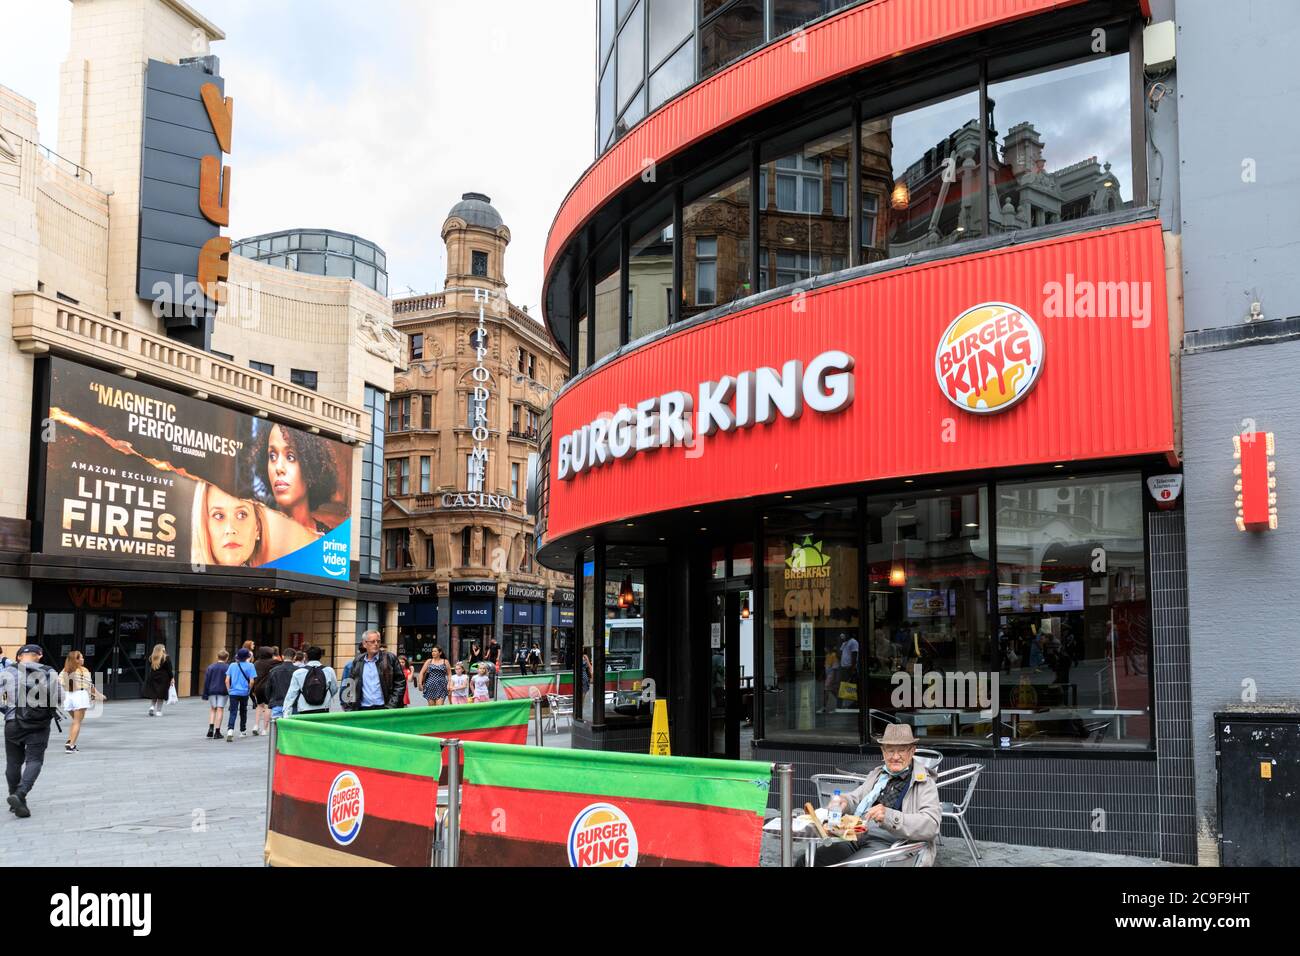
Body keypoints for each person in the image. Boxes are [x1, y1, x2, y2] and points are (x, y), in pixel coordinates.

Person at [804, 724, 941, 867]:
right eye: (890, 750)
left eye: (901, 750)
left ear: (912, 751)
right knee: (808, 861)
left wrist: (888, 816)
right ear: (883, 751)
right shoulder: (878, 774)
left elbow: (931, 825)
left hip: (891, 844)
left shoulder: (924, 782)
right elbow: (856, 798)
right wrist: (844, 801)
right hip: (857, 836)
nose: (895, 756)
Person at [1, 644, 67, 818]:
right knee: (34, 760)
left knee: (13, 762)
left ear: (19, 657)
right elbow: (60, 698)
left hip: (13, 722)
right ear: (39, 655)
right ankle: (20, 794)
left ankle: (15, 799)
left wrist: (7, 710)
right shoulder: (48, 671)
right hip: (39, 723)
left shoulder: (7, 672)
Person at [255, 422, 338, 534]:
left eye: (290, 457)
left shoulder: (329, 543)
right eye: (272, 456)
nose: (278, 468)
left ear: (312, 466)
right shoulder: (256, 537)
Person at [341, 631, 405, 711]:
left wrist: (391, 706)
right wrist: (349, 708)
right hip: (363, 709)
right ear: (365, 644)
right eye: (372, 641)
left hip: (385, 708)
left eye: (378, 641)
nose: (376, 644)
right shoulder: (357, 661)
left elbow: (400, 683)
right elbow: (350, 685)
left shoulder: (390, 658)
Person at [60, 651, 102, 753]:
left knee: (75, 720)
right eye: (81, 658)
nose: (83, 659)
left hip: (68, 696)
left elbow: (60, 683)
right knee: (77, 722)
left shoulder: (64, 671)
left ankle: (70, 740)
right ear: (76, 660)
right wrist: (98, 695)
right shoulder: (83, 670)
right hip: (80, 695)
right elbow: (89, 685)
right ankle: (71, 746)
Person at [283, 645, 339, 715]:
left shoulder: (298, 673)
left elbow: (291, 695)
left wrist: (286, 713)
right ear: (320, 656)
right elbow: (334, 689)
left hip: (304, 708)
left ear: (306, 657)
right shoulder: (329, 671)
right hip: (323, 708)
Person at [224, 648, 257, 741]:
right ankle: (242, 730)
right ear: (248, 656)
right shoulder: (250, 666)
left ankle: (230, 730)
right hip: (244, 692)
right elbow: (251, 681)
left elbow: (226, 680)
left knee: (233, 711)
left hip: (233, 692)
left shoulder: (232, 665)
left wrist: (229, 690)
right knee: (243, 711)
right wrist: (248, 690)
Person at [201, 650, 231, 738]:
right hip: (223, 691)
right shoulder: (227, 667)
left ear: (217, 657)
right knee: (220, 709)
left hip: (212, 691)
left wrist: (205, 693)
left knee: (213, 709)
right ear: (227, 658)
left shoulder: (211, 667)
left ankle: (210, 728)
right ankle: (217, 731)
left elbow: (207, 681)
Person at [267, 651, 303, 720]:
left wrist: (271, 700)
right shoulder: (299, 671)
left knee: (276, 728)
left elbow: (268, 688)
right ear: (294, 657)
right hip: (294, 704)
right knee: (293, 729)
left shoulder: (273, 670)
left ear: (283, 656)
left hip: (277, 703)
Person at [251, 646, 277, 735]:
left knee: (259, 706)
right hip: (268, 687)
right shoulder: (274, 662)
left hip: (258, 687)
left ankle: (256, 725)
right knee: (267, 707)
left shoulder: (256, 663)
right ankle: (264, 729)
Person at [143, 643, 174, 717]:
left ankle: (152, 707)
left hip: (153, 677)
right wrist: (172, 678)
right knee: (161, 695)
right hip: (163, 678)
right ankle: (158, 711)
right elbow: (169, 670)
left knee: (154, 694)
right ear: (162, 649)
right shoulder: (166, 658)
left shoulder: (152, 658)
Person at [821, 645, 840, 714]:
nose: (825, 648)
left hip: (831, 677)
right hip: (828, 676)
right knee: (832, 691)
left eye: (826, 647)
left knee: (826, 691)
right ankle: (839, 703)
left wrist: (834, 679)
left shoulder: (833, 655)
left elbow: (835, 668)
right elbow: (825, 667)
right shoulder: (827, 655)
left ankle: (824, 707)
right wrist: (822, 675)